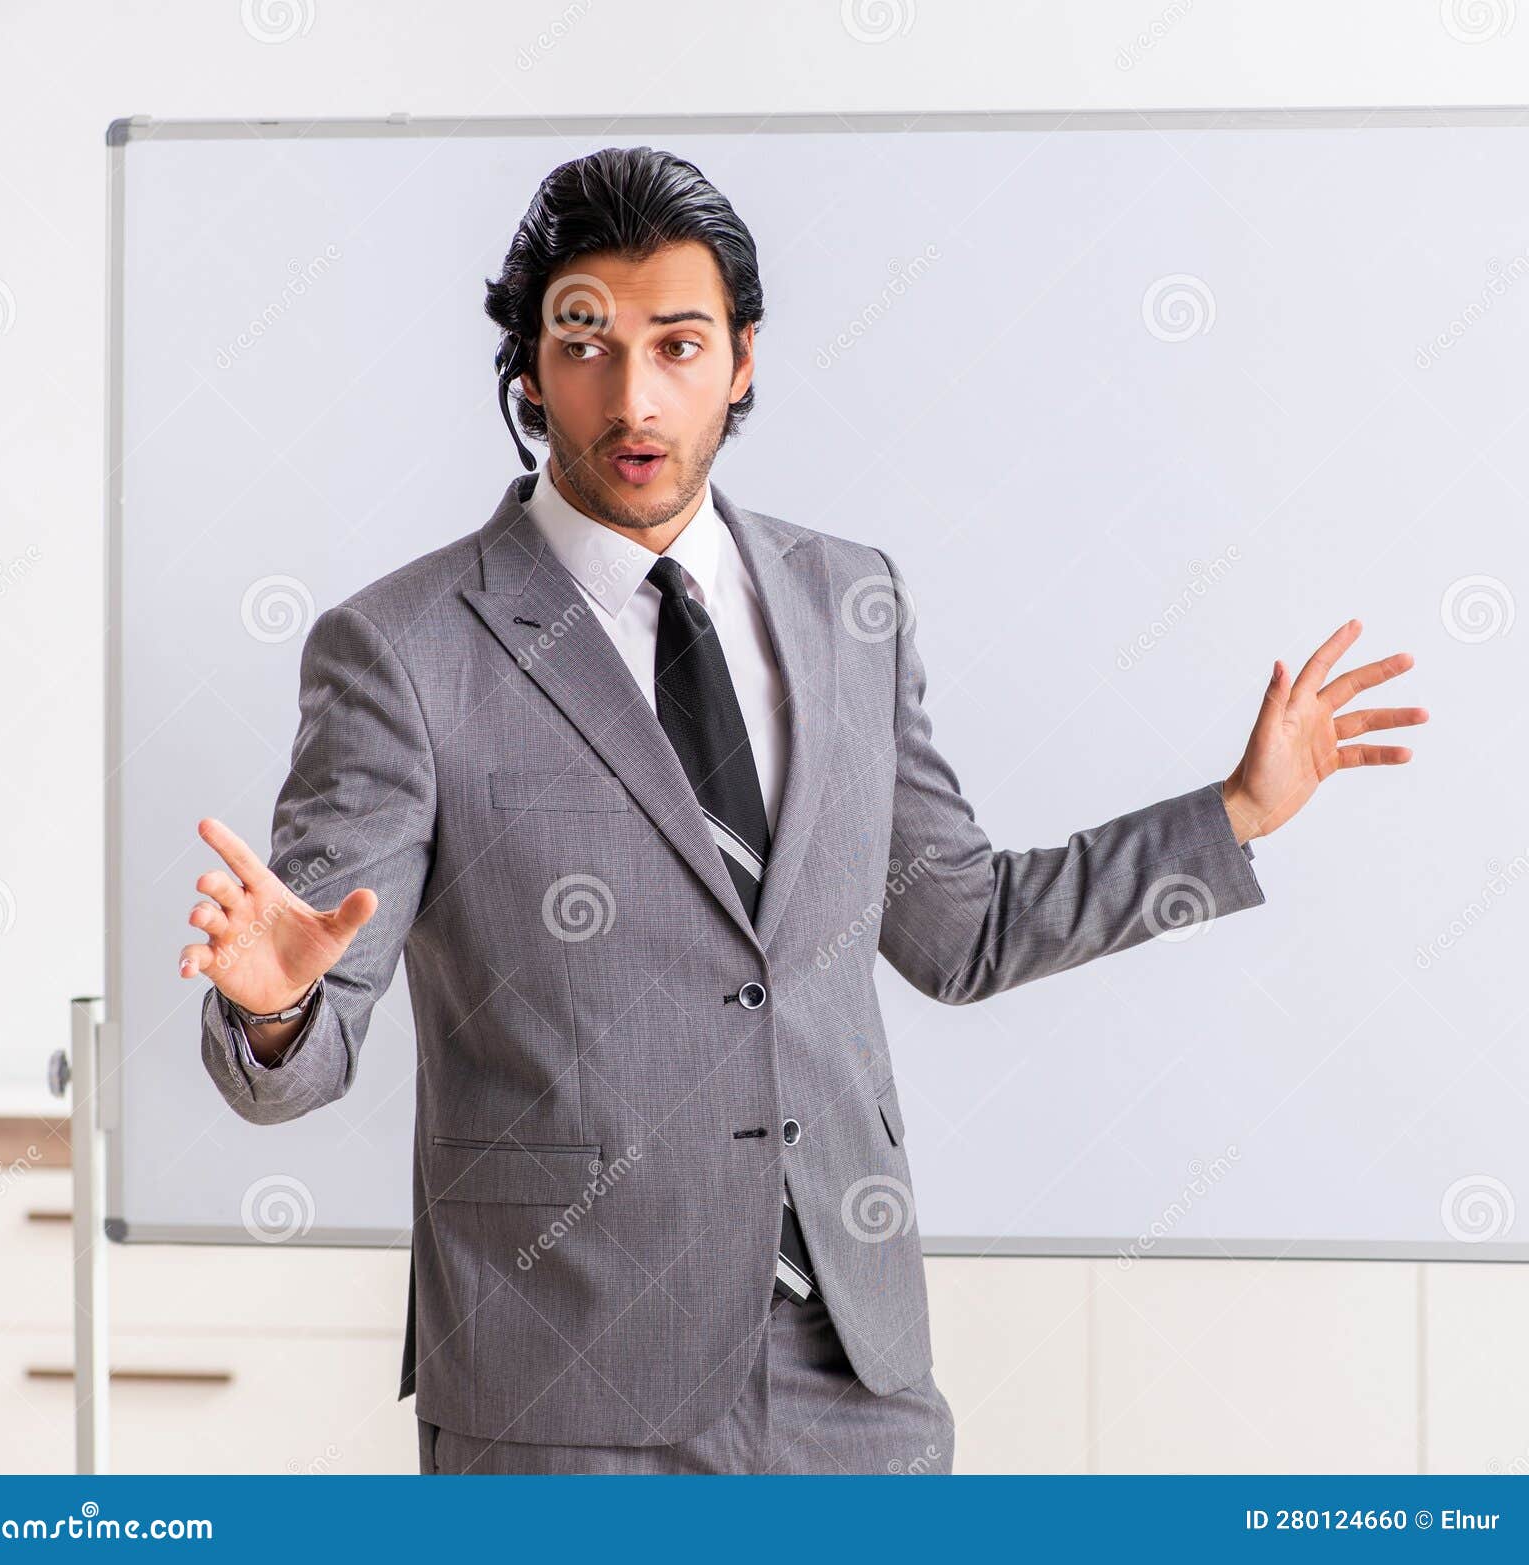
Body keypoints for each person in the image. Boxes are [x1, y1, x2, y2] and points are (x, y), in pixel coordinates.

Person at [179, 145, 1427, 1474]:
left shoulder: (851, 605)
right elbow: (296, 1052)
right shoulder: (404, 647)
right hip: (567, 1389)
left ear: (745, 358)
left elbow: (962, 930)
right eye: (588, 341)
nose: (635, 393)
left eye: (680, 342)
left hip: (855, 1377)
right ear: (530, 368)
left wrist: (1231, 814)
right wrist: (272, 1004)